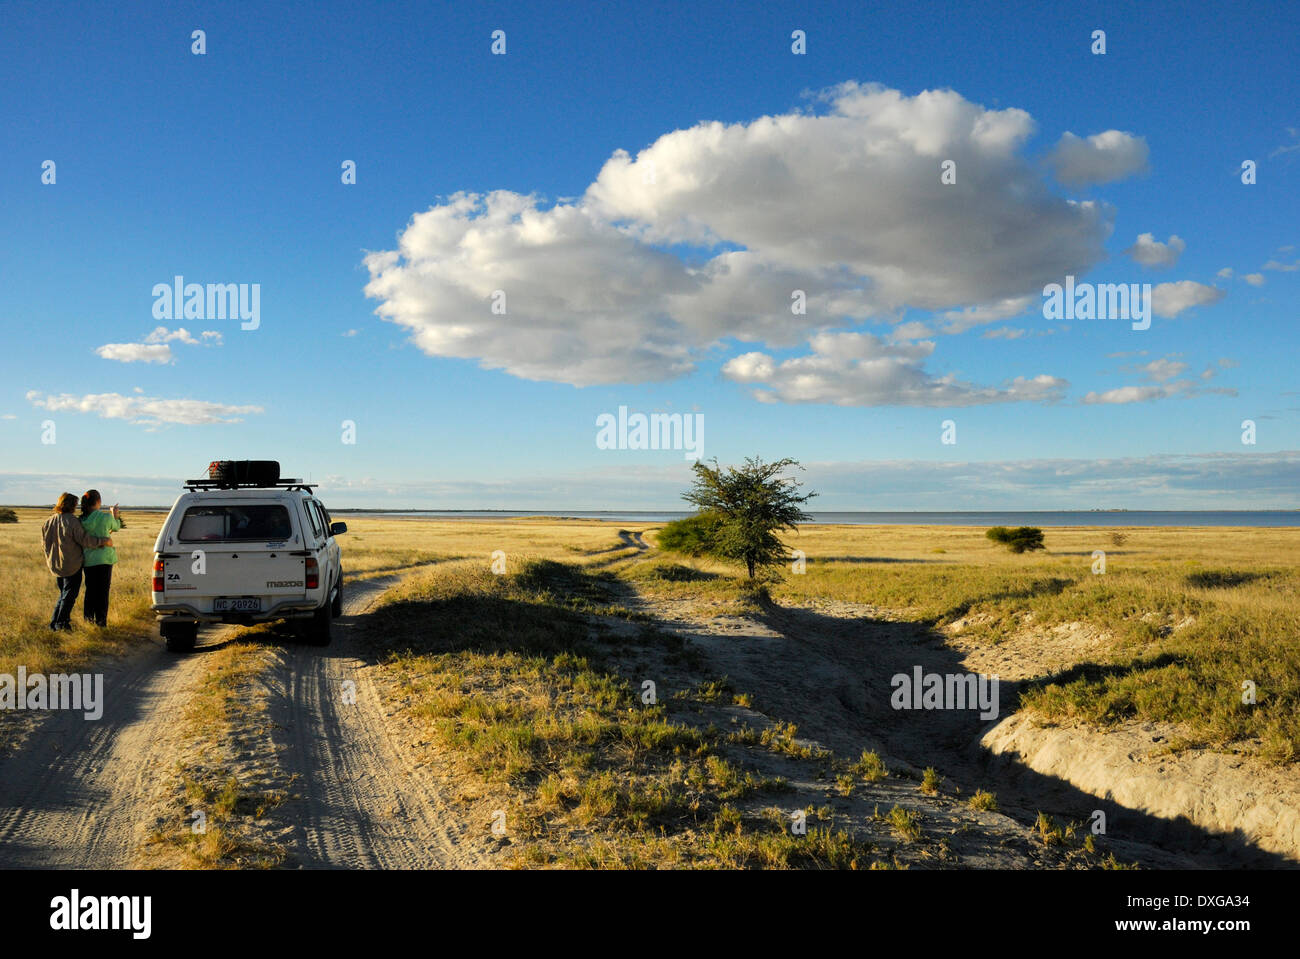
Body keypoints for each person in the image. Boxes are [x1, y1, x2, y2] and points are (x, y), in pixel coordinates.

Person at [40, 493, 112, 631]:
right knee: (69, 596)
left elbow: (44, 545)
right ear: (71, 505)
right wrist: (104, 541)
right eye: (75, 504)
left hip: (55, 565)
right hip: (71, 565)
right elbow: (85, 540)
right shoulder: (72, 521)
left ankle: (54, 624)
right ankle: (62, 624)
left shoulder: (49, 521)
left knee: (63, 595)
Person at [79, 489, 123, 627]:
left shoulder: (81, 520)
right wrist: (114, 514)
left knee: (90, 591)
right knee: (103, 592)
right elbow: (116, 527)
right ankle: (101, 622)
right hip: (104, 559)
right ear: (98, 502)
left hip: (89, 560)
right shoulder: (105, 517)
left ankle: (88, 620)